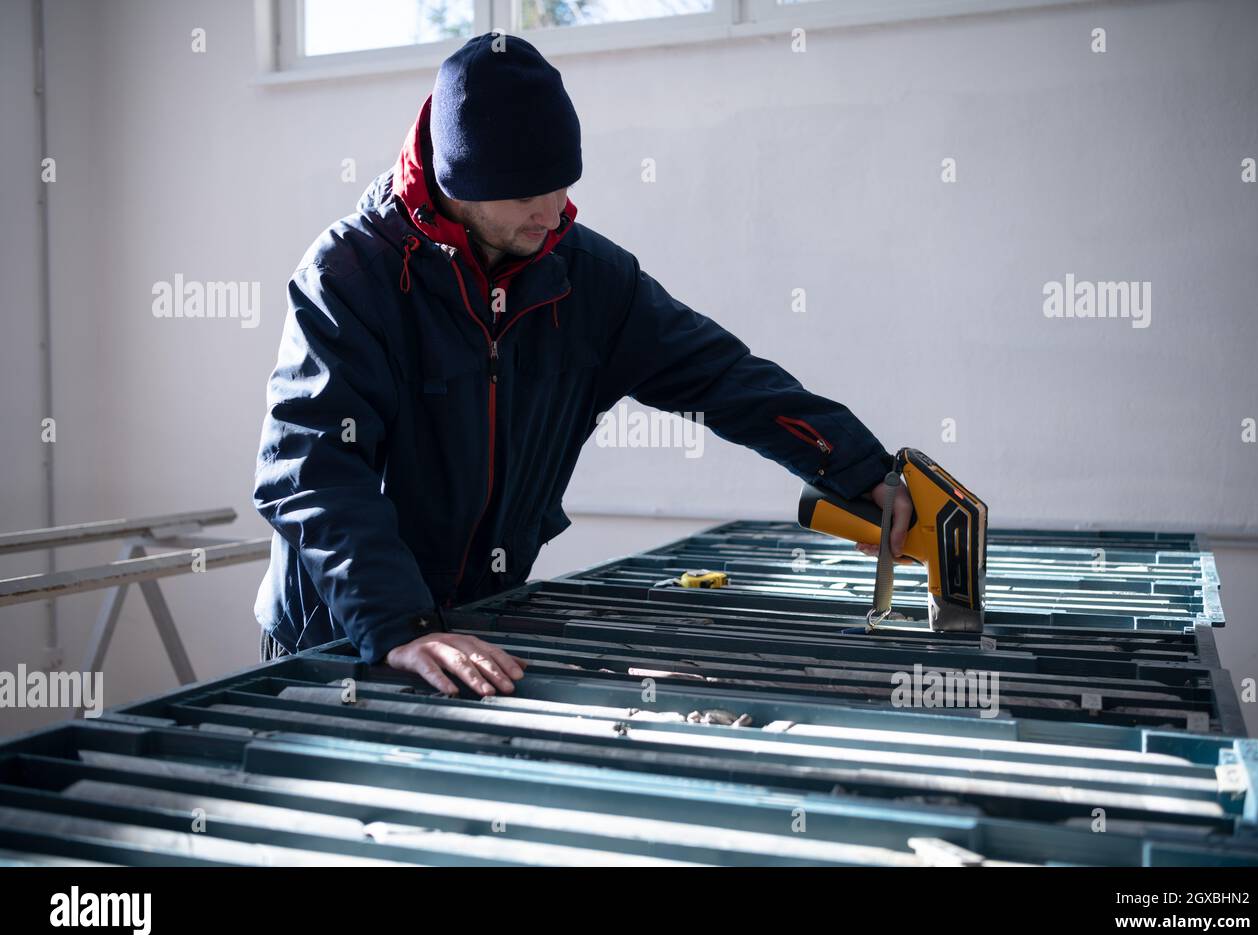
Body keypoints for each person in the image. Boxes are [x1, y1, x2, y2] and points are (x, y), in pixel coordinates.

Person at [252, 31, 912, 697]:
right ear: (456, 182)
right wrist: (401, 624)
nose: (551, 211)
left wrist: (860, 469)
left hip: (478, 624)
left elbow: (722, 378)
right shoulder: (349, 278)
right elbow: (314, 472)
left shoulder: (587, 278)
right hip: (344, 634)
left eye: (560, 183)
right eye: (521, 195)